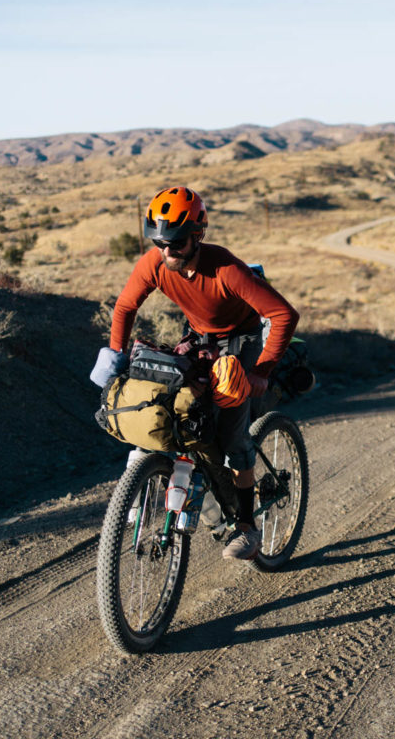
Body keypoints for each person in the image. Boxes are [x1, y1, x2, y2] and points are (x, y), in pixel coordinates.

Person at [107, 186, 299, 560]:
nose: (166, 251)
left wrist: (260, 373)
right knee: (174, 405)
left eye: (176, 243)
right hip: (200, 338)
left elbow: (283, 315)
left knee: (231, 434)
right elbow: (125, 307)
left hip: (242, 341)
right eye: (159, 242)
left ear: (198, 235)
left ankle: (247, 526)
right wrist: (115, 356)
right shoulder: (155, 264)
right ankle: (203, 487)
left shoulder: (225, 269)